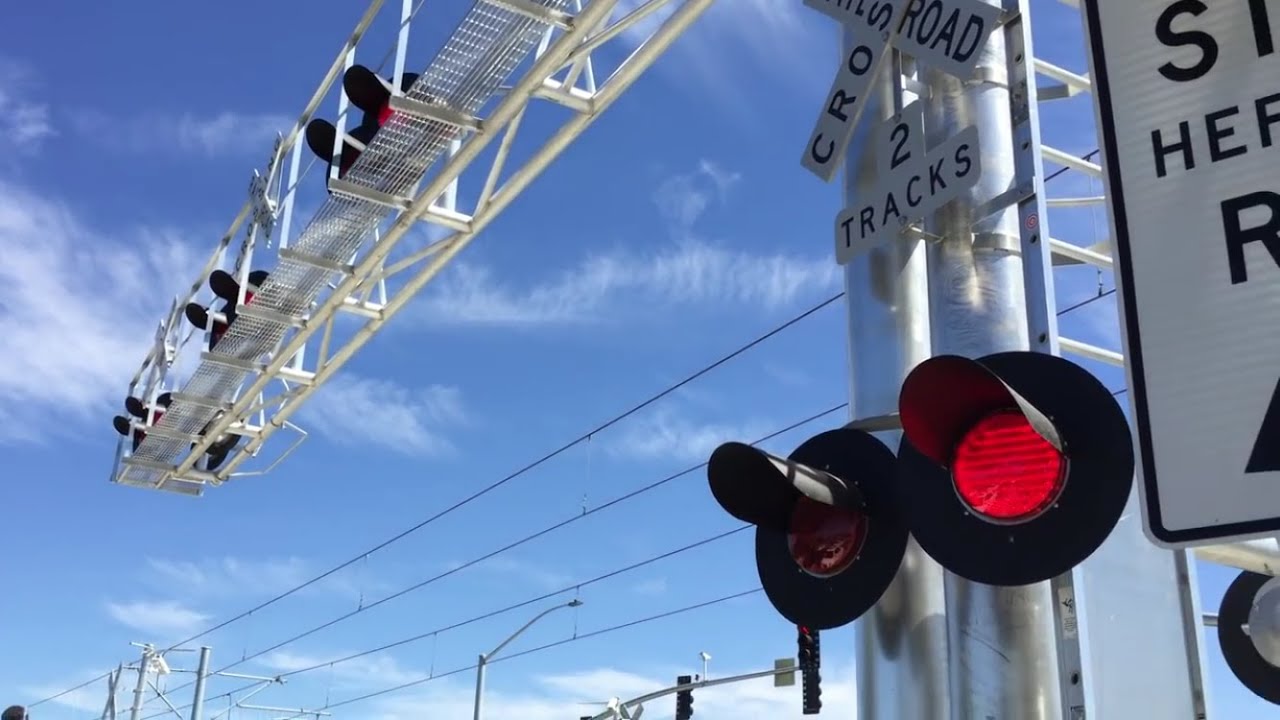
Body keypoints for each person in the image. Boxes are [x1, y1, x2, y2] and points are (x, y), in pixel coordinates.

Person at [184, 269, 270, 350]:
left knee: (218, 281)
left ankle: (219, 324)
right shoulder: (229, 309)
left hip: (251, 306)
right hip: (237, 322)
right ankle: (214, 322)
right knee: (224, 317)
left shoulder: (255, 279)